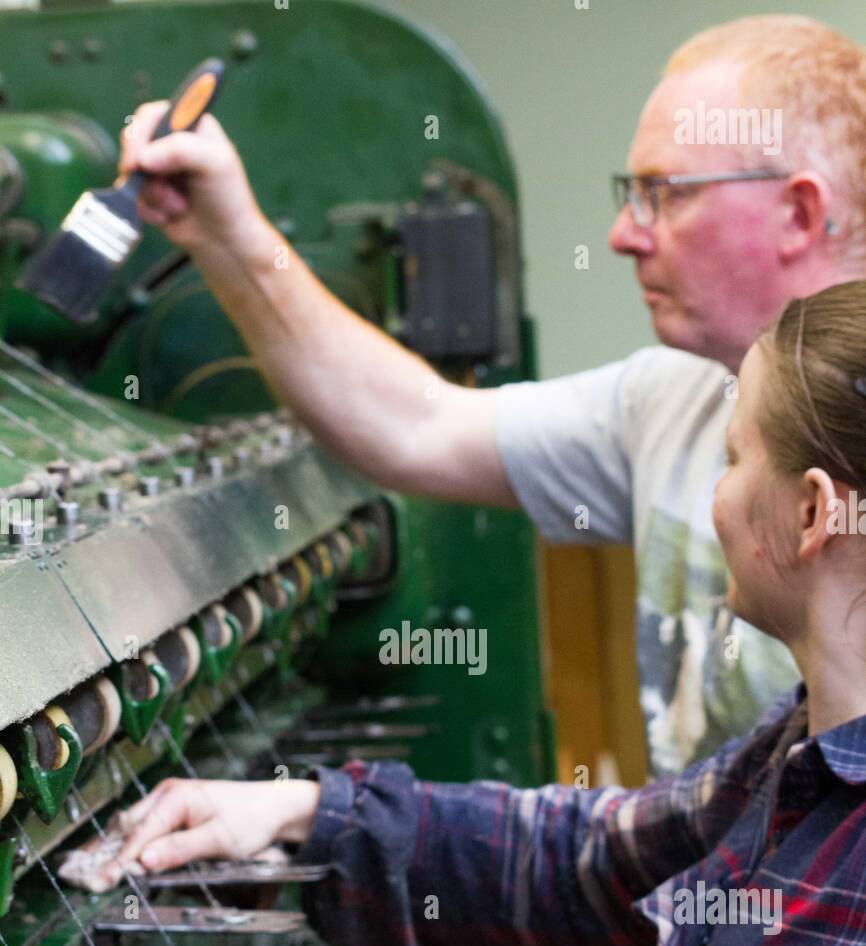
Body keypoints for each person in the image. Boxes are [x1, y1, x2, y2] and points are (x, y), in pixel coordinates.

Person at [87, 279, 866, 946]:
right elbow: (588, 857)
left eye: (729, 458)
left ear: (808, 512)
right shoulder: (795, 763)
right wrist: (307, 813)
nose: (712, 496)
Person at [117, 13, 866, 777]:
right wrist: (229, 233)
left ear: (799, 214)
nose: (623, 234)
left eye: (663, 194)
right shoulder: (671, 399)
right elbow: (416, 425)